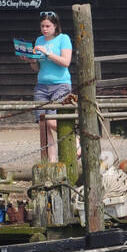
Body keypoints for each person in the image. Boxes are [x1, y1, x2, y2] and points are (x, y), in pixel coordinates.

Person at [28, 10, 73, 164]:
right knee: (42, 123)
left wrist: (48, 54)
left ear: (55, 26)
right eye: (42, 26)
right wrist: (31, 60)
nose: (44, 29)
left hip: (60, 84)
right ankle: (50, 161)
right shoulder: (39, 40)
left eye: (47, 26)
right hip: (42, 85)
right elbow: (37, 68)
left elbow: (66, 62)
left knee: (52, 120)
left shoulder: (63, 38)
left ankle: (76, 141)